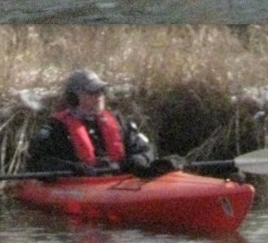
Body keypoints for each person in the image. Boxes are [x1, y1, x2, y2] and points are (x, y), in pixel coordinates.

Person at [27, 69, 171, 176]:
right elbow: (37, 162)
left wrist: (138, 160)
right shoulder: (56, 128)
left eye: (101, 91)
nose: (100, 96)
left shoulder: (118, 121)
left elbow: (145, 150)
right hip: (81, 185)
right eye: (92, 92)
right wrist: (72, 168)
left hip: (119, 182)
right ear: (74, 97)